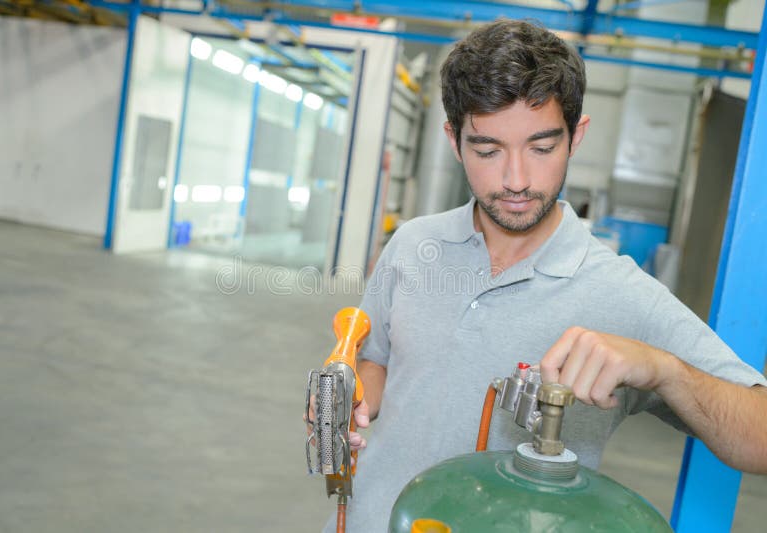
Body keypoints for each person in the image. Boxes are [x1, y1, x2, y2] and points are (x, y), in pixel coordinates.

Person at [321, 18, 767, 533]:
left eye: (541, 147)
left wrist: (662, 368)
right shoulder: (413, 244)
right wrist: (353, 397)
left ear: (576, 136)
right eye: (487, 151)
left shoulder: (621, 295)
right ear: (454, 139)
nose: (516, 180)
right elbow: (375, 360)